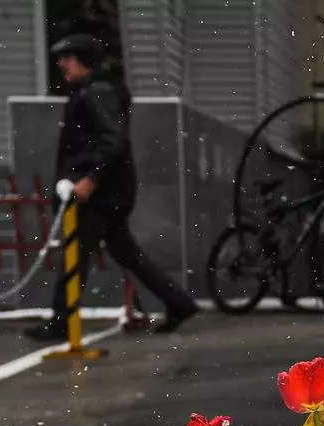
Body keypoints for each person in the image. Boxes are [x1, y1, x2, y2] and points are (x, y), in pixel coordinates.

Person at [26, 33, 197, 341]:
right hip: (108, 192)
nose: (62, 65)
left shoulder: (97, 92)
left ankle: (61, 323)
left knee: (76, 254)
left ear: (83, 60)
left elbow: (112, 139)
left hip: (99, 195)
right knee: (125, 253)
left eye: (68, 58)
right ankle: (179, 303)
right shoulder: (94, 90)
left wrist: (91, 179)